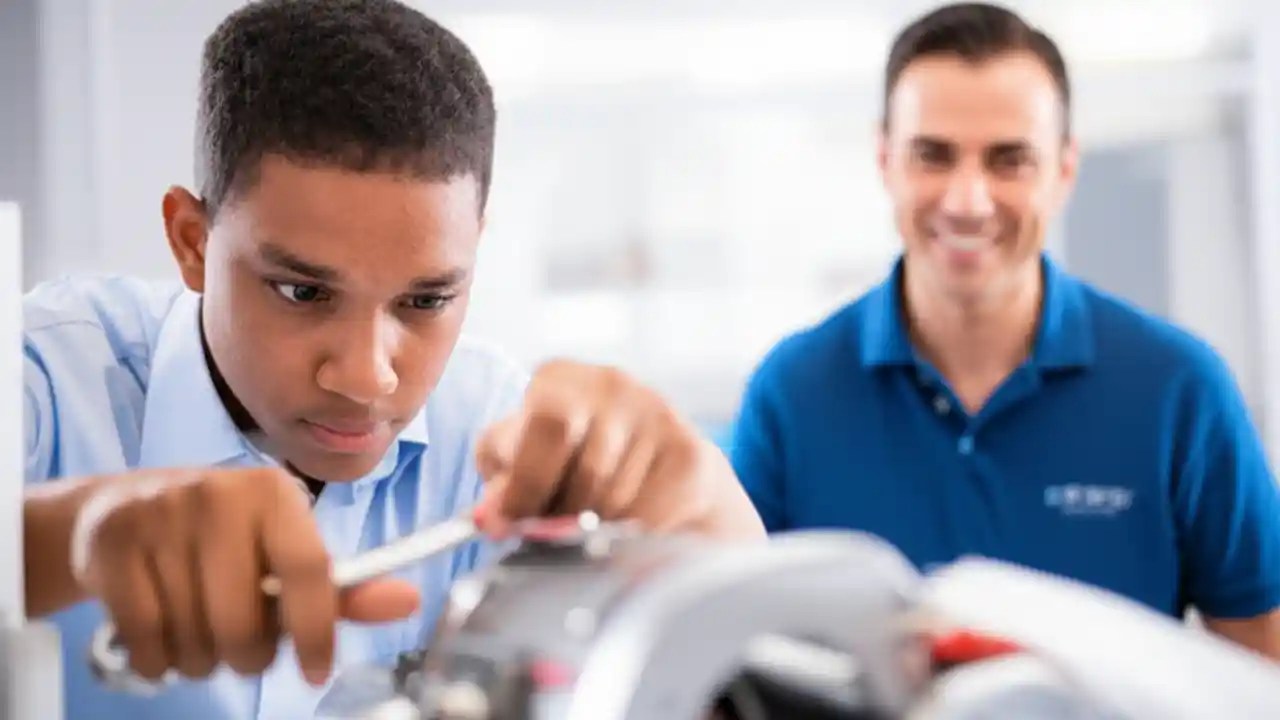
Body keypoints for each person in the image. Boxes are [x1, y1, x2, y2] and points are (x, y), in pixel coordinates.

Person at [21, 1, 764, 717]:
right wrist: (66, 539)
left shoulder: (506, 447)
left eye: (426, 301)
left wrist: (708, 520)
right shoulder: (46, 379)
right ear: (192, 241)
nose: (367, 376)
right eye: (302, 291)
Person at [731, 2, 1280, 658]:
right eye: (933, 156)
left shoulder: (1178, 390)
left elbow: (1263, 663)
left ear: (1064, 169)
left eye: (1008, 160)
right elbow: (730, 653)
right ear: (885, 161)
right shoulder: (792, 397)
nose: (967, 200)